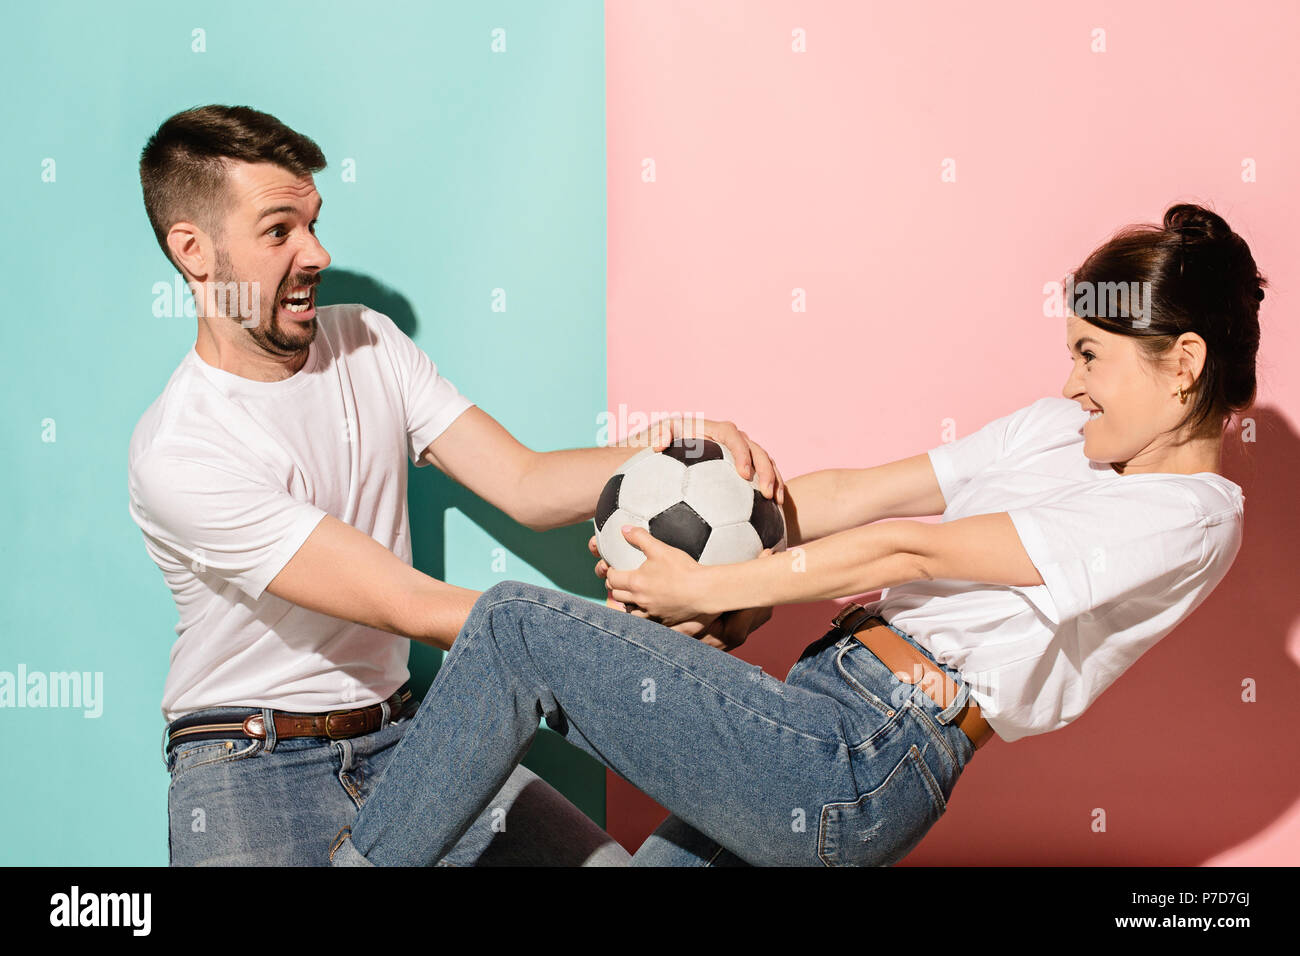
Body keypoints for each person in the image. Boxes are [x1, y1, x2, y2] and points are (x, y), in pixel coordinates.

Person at [327, 203, 1261, 866]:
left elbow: (913, 548)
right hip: (817, 704)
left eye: (1091, 356)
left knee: (514, 627)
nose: (1071, 384)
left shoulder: (1189, 518)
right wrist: (723, 516)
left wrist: (708, 593)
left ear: (1183, 364)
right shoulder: (1059, 431)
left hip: (866, 756)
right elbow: (860, 495)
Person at [127, 104, 783, 866]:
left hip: (412, 740)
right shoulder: (181, 451)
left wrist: (665, 449)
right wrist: (646, 626)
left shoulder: (366, 340)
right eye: (279, 232)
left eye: (313, 223)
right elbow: (415, 605)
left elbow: (528, 484)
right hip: (251, 771)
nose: (315, 253)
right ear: (194, 251)